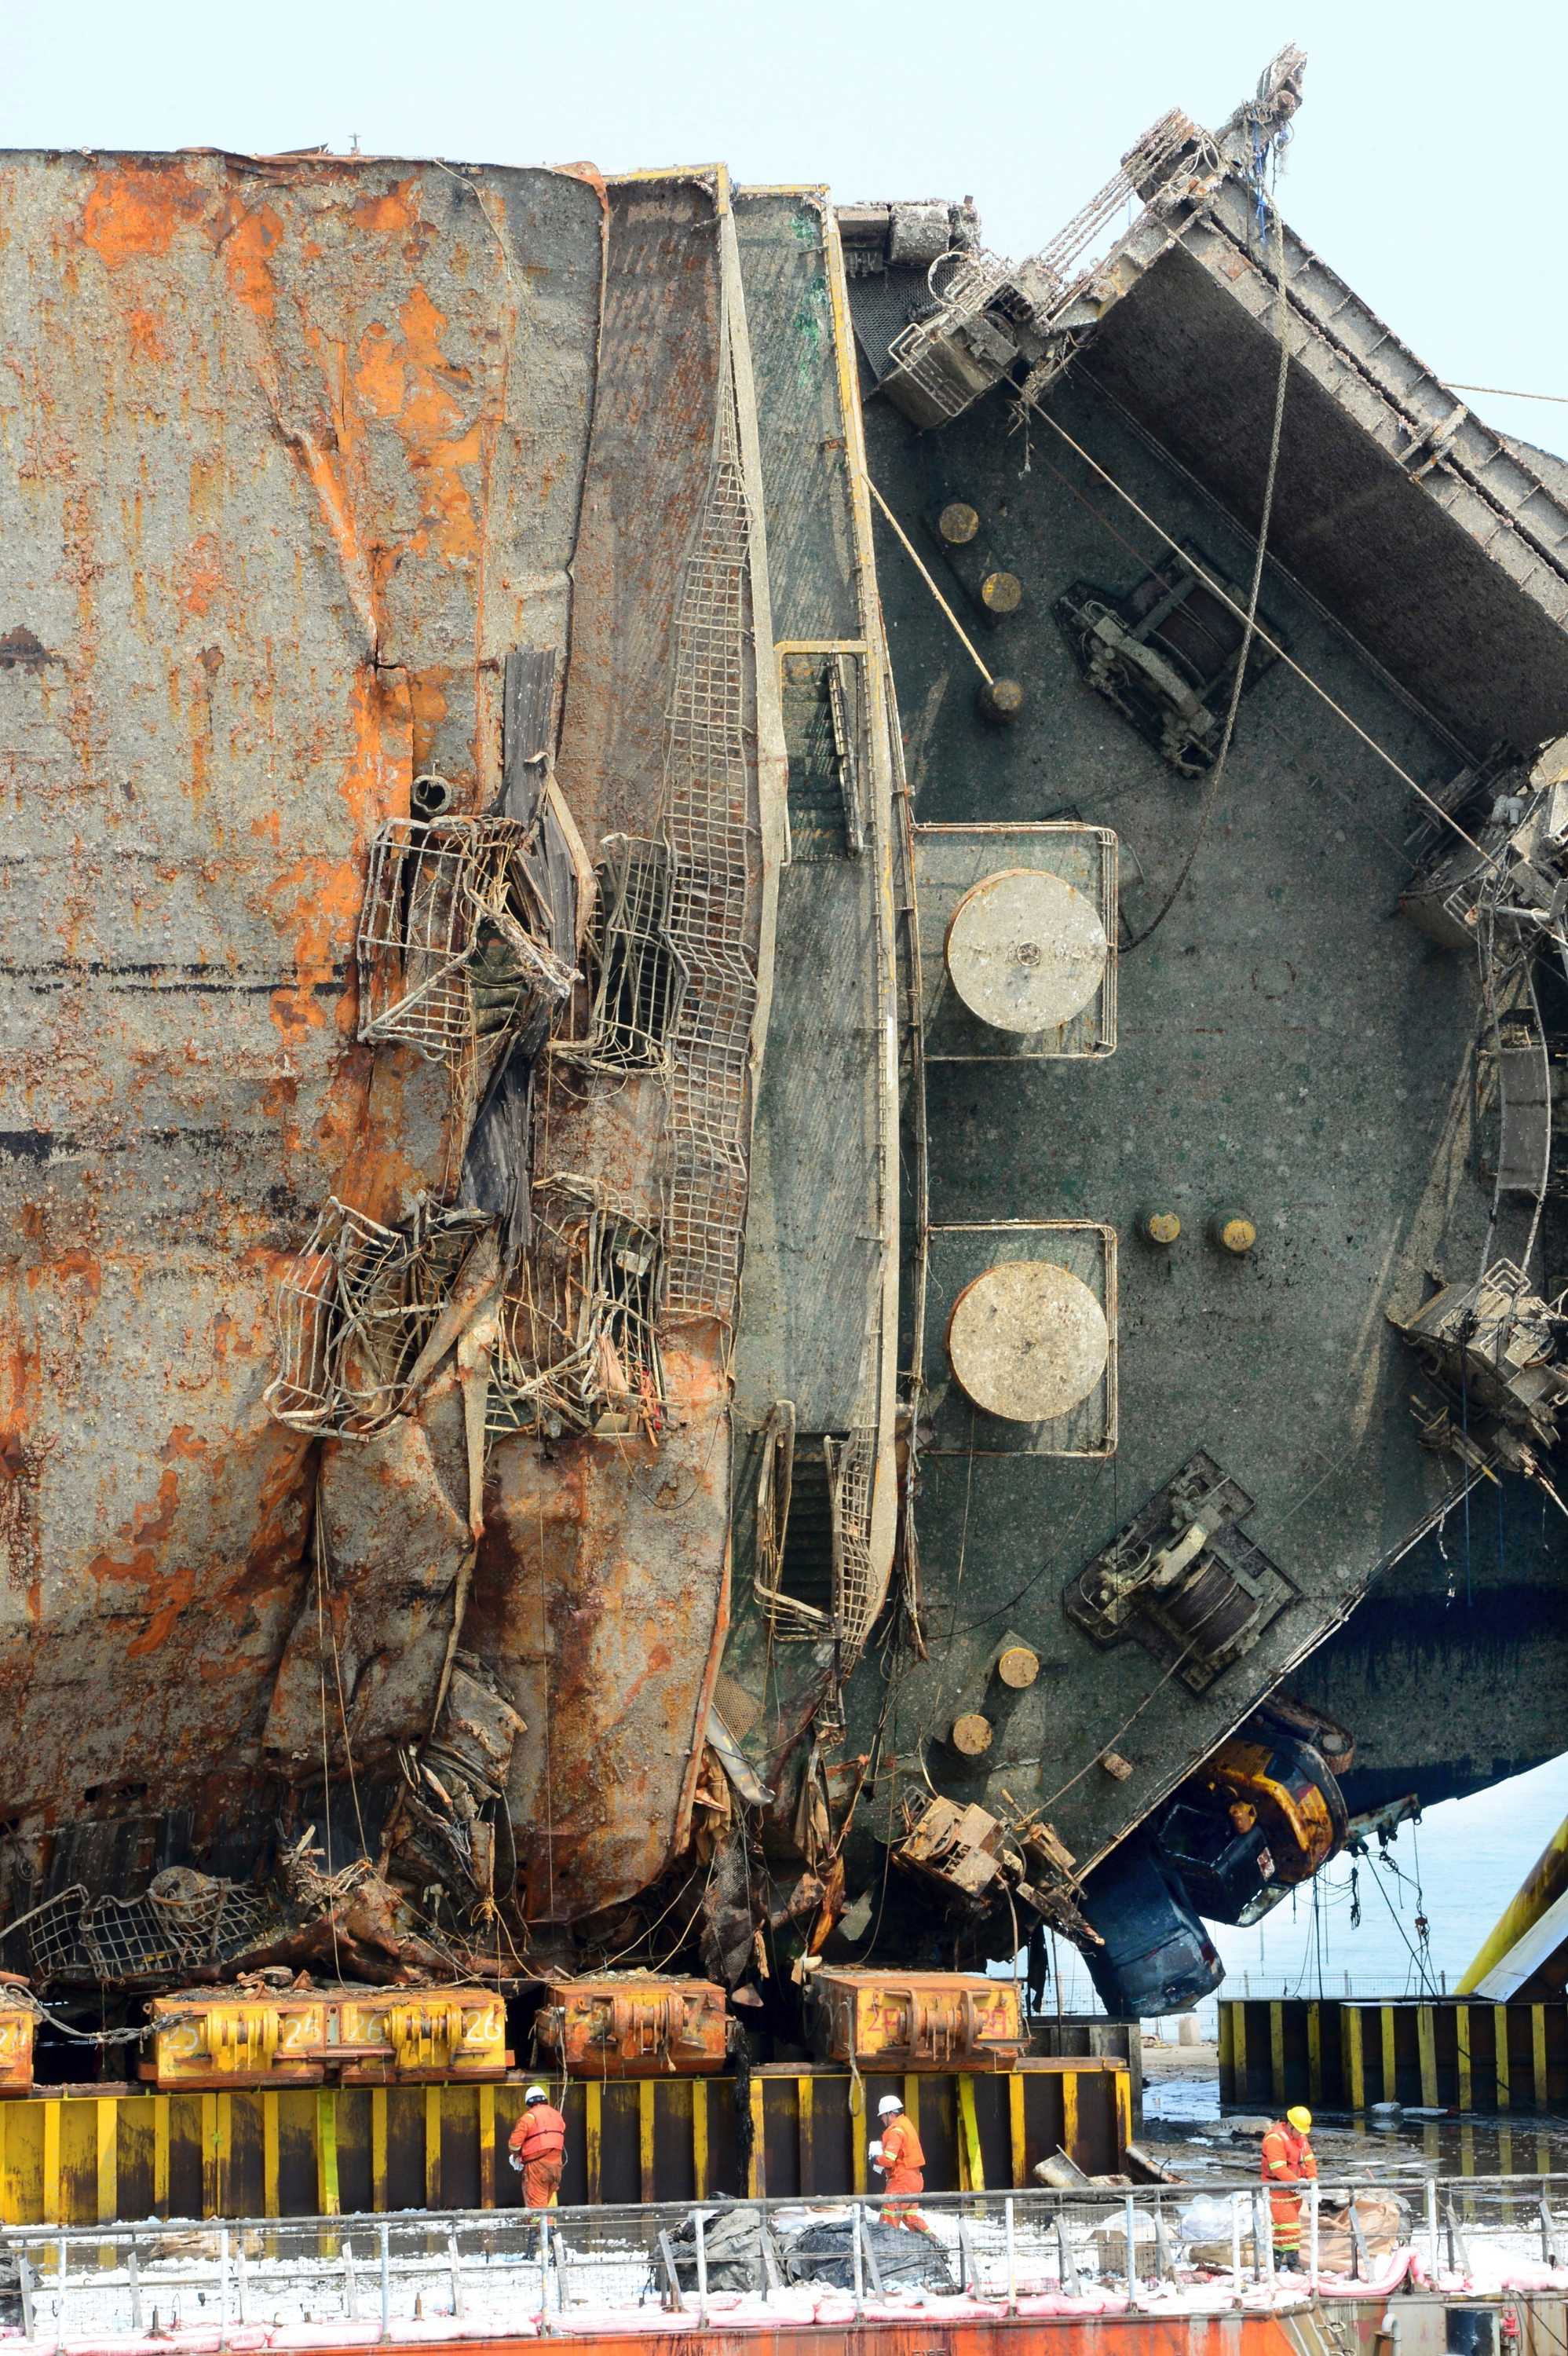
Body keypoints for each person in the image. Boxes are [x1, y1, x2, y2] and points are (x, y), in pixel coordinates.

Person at [1260, 2104, 1317, 2267]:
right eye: (1299, 2131)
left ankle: (1275, 2265)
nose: (1301, 2135)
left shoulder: (1300, 2138)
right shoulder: (1275, 2139)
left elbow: (1309, 2160)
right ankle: (1294, 2266)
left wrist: (1312, 2180)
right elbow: (1278, 2168)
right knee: (1290, 2226)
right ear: (1290, 2126)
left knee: (1281, 2229)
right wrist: (1297, 2184)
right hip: (1277, 2188)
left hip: (1294, 2187)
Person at [870, 2094, 934, 2234]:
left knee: (889, 2219)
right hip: (914, 2179)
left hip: (901, 2181)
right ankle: (934, 2245)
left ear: (891, 2114)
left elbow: (888, 2159)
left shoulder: (896, 2131)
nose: (881, 2119)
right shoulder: (906, 2125)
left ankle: (888, 2253)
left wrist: (875, 2159)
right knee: (910, 2217)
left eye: (882, 2116)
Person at [508, 2083, 568, 2208]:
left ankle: (544, 2228)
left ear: (528, 2103)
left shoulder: (529, 2117)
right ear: (545, 2099)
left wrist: (516, 2157)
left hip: (537, 2168)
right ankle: (546, 2226)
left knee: (538, 2209)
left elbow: (514, 2144)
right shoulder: (557, 2115)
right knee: (544, 2204)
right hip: (556, 2166)